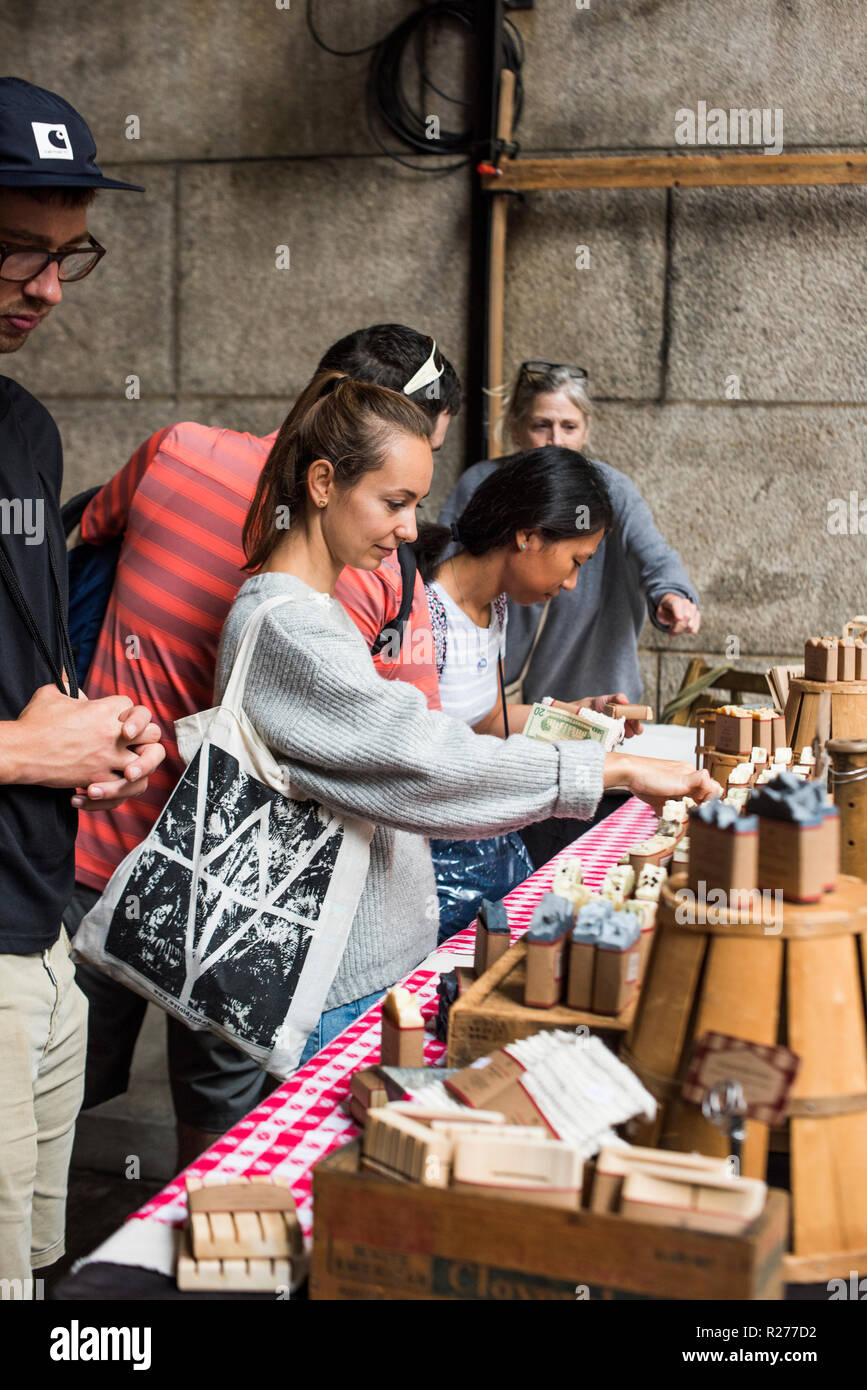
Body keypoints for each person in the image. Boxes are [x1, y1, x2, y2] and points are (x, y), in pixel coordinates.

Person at [215, 368, 719, 1036]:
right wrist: (609, 771)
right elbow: (418, 754)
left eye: (414, 506)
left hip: (367, 958)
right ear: (321, 485)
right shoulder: (290, 626)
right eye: (393, 503)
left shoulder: (323, 610)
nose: (408, 531)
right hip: (331, 974)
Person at [62, 324, 461, 1167]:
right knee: (223, 1137)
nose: (407, 521)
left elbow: (84, 540)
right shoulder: (377, 570)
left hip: (94, 841)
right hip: (246, 895)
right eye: (404, 486)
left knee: (50, 1097)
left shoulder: (174, 453)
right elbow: (409, 746)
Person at [0, 78, 165, 1291]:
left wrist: (96, 727)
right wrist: (25, 754)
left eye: (68, 257)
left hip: (49, 928)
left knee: (44, 1261)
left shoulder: (26, 431)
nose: (48, 292)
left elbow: (34, 669)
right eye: (17, 255)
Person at [439, 359, 702, 865]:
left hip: (537, 714)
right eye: (541, 425)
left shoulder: (607, 493)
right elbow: (445, 757)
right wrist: (621, 769)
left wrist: (570, 714)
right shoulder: (450, 611)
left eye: (569, 426)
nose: (554, 439)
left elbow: (655, 554)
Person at [415, 446, 645, 939]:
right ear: (527, 536)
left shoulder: (493, 605)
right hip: (430, 873)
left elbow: (488, 720)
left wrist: (580, 715)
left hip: (486, 843)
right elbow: (425, 765)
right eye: (575, 561)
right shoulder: (426, 615)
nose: (571, 582)